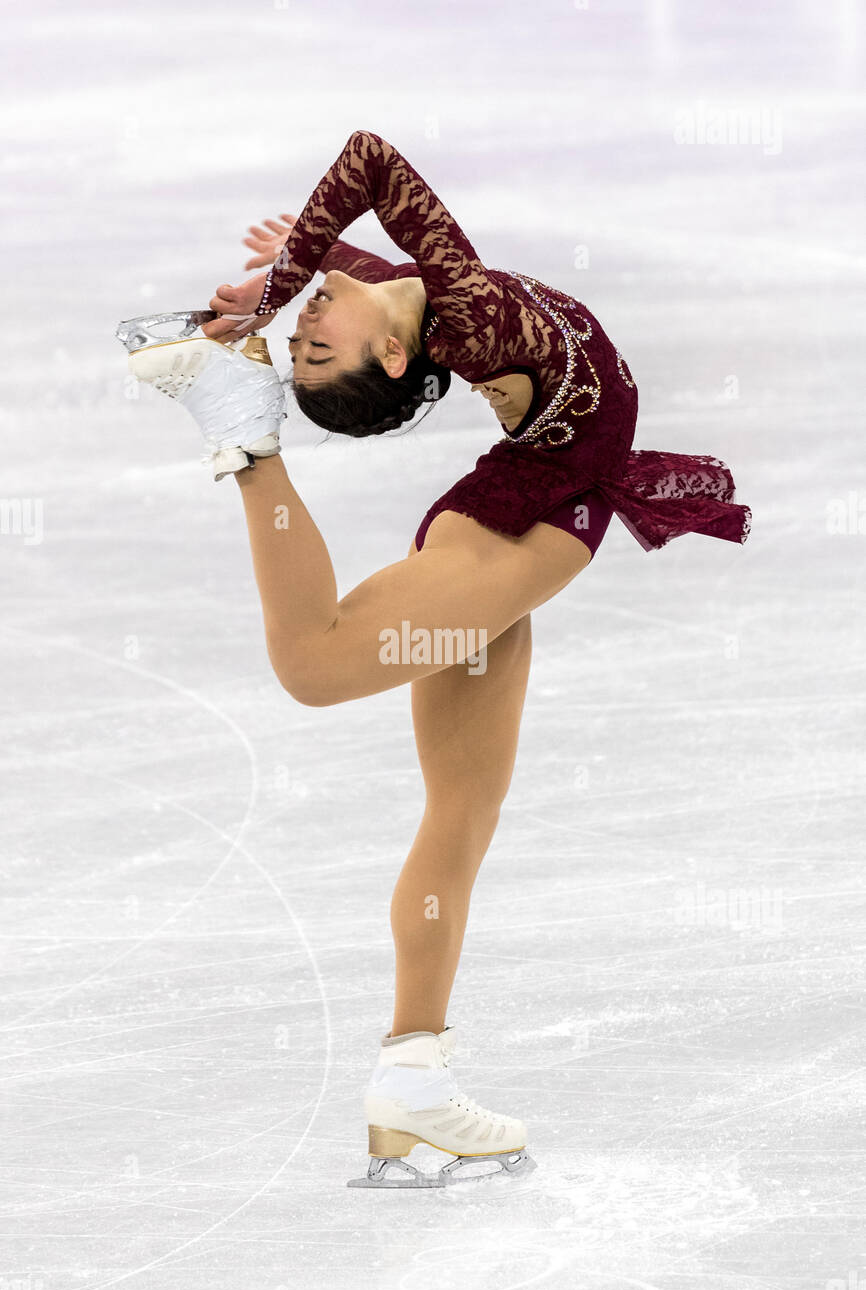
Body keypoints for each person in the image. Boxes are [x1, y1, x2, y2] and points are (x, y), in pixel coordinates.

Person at [120, 131, 750, 1188]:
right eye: (311, 340)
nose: (305, 323)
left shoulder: (408, 297)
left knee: (460, 814)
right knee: (315, 666)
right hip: (526, 524)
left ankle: (412, 1074)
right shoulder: (467, 314)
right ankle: (243, 435)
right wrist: (294, 280)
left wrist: (307, 268)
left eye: (309, 332)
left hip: (521, 505)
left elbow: (364, 219)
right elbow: (370, 166)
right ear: (407, 357)